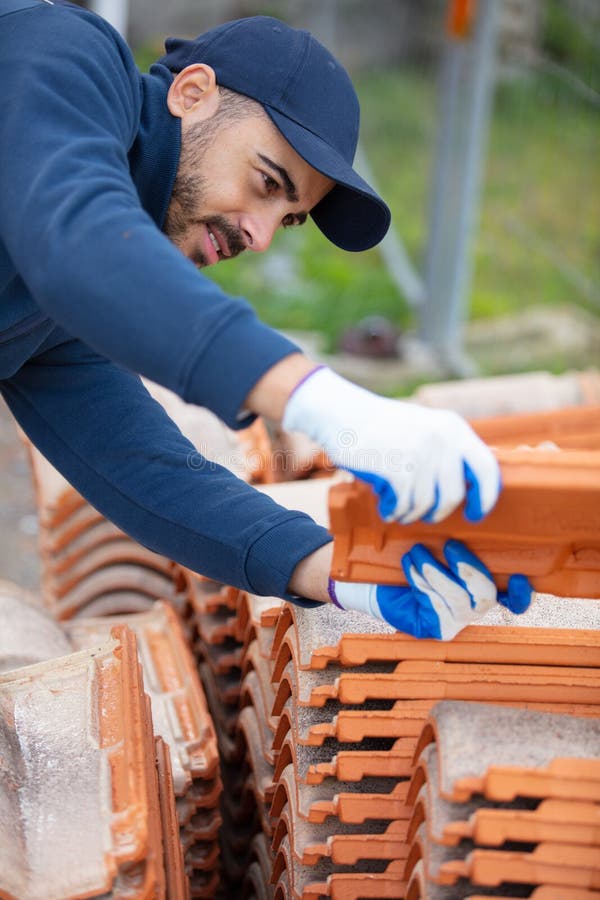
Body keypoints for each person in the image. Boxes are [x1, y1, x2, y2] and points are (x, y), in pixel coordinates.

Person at [0, 2, 531, 640]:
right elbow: (78, 239)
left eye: (287, 218)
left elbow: (145, 468)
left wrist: (344, 572)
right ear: (193, 93)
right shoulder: (56, 53)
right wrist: (332, 407)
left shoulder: (63, 314)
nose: (259, 237)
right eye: (265, 181)